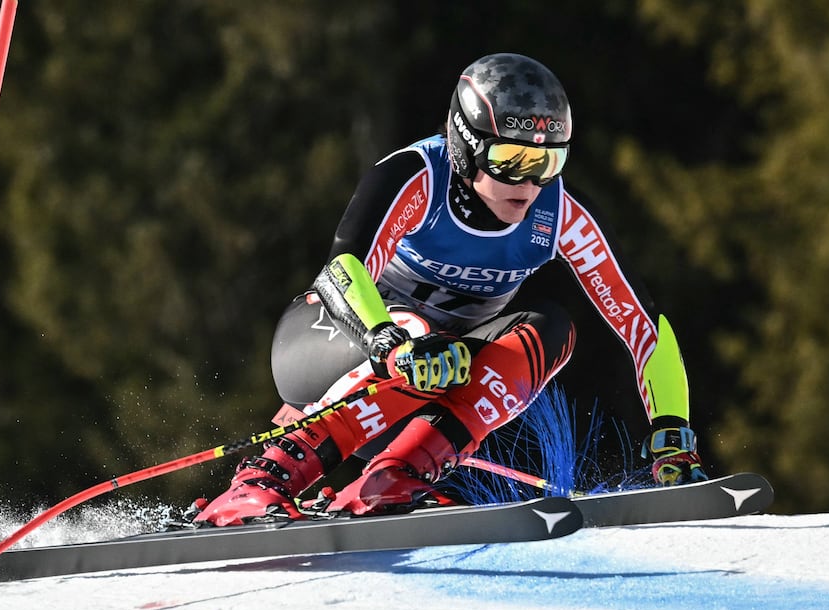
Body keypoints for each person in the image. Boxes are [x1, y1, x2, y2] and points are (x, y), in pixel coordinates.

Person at [195, 52, 709, 526]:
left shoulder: (560, 213)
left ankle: (396, 475)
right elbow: (341, 271)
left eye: (548, 162)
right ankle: (261, 479)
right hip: (326, 345)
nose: (530, 185)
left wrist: (672, 431)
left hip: (428, 380)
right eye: (511, 159)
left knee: (550, 331)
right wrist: (386, 340)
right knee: (419, 333)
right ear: (467, 145)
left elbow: (643, 325)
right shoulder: (418, 177)